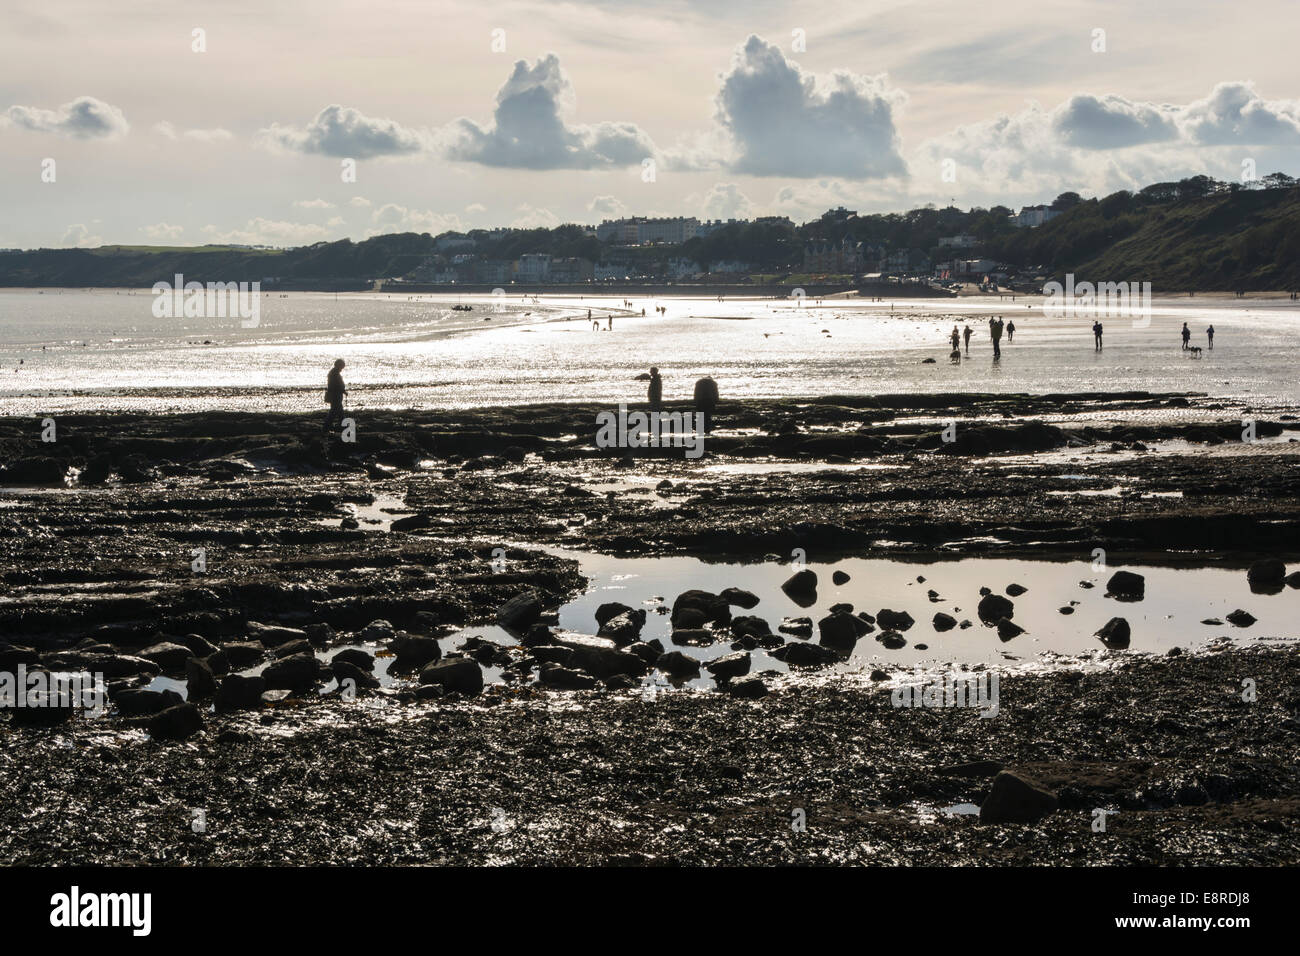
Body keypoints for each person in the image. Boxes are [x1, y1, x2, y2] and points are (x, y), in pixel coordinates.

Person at [323, 359, 347, 433]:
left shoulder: (334, 372)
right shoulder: (334, 373)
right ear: (338, 365)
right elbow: (335, 385)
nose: (342, 369)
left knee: (337, 411)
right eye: (342, 367)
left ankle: (340, 426)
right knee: (336, 411)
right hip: (335, 395)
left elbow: (336, 385)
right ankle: (327, 427)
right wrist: (342, 390)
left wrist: (343, 391)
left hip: (336, 394)